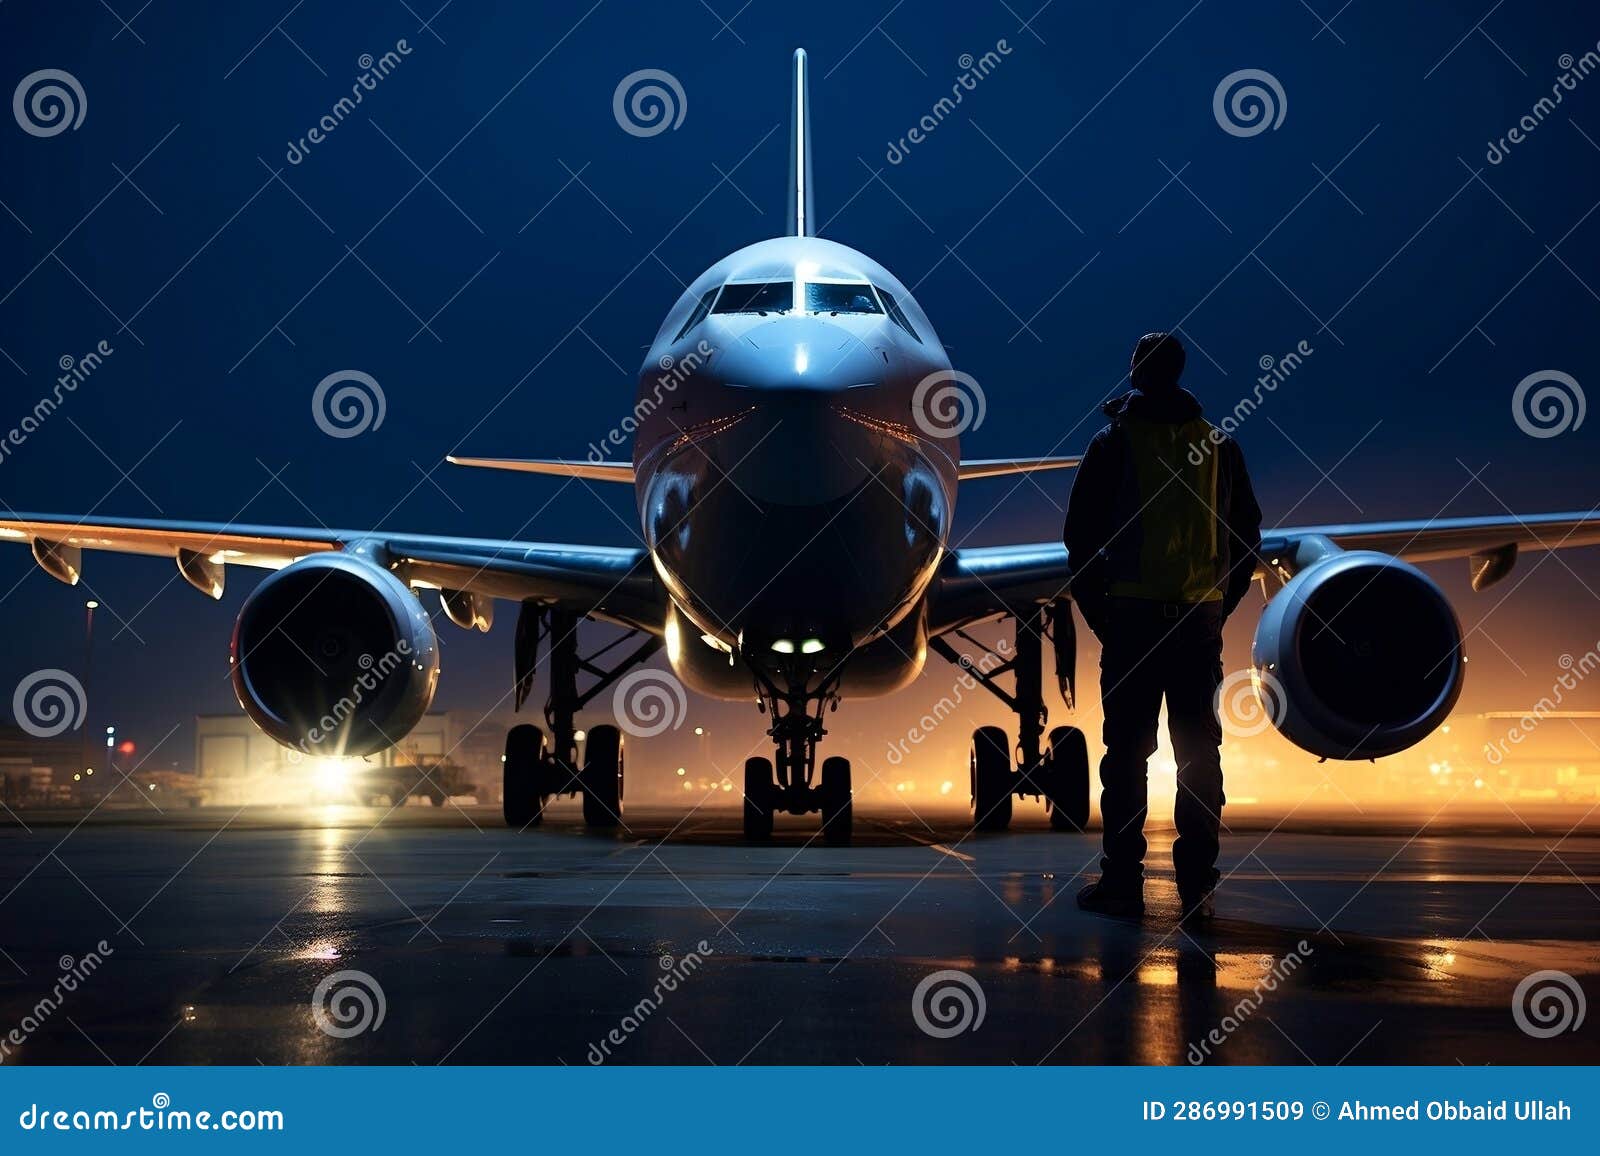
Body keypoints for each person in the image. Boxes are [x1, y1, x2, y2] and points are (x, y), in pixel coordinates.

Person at [1062, 332, 1262, 923]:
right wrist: (1217, 605)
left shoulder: (1113, 443)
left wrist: (1100, 614)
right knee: (1200, 752)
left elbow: (1079, 538)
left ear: (1136, 373)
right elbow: (1247, 535)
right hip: (1196, 623)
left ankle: (1122, 882)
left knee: (1126, 756)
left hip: (1131, 623)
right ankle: (1197, 880)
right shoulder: (1220, 445)